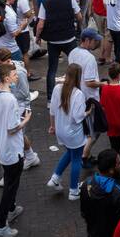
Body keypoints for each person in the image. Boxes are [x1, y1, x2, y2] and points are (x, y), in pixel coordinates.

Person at [0, 59, 30, 237]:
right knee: (10, 187)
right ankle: (0, 225)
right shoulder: (10, 99)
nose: (17, 76)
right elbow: (12, 127)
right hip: (12, 149)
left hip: (1, 146)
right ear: (7, 78)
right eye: (14, 75)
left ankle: (12, 208)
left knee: (9, 180)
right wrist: (25, 120)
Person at [48, 63, 89, 200]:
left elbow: (52, 110)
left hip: (60, 130)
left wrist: (52, 126)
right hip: (73, 132)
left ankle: (55, 177)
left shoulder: (57, 88)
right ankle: (73, 190)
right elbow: (77, 117)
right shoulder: (78, 94)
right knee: (77, 159)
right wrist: (87, 112)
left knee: (70, 153)